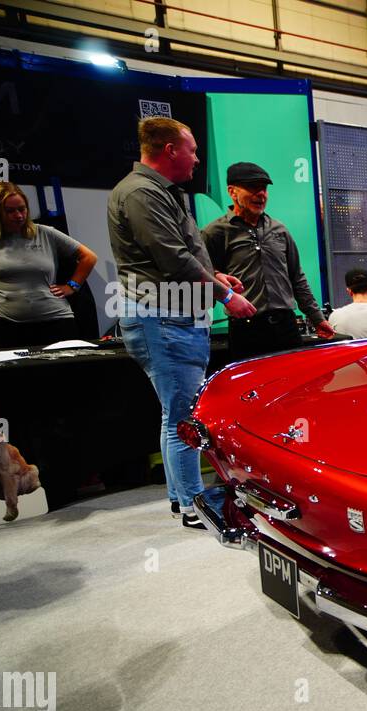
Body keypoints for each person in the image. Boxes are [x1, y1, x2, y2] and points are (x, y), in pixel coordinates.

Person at [108, 116, 256, 530]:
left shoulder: (158, 192)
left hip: (171, 313)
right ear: (171, 150)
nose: (196, 158)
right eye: (191, 149)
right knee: (185, 417)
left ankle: (180, 498)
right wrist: (225, 295)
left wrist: (215, 277)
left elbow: (183, 255)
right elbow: (172, 259)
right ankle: (193, 503)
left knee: (173, 414)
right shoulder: (141, 193)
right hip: (163, 317)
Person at [202, 162, 331, 360]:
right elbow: (202, 273)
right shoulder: (216, 232)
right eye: (253, 188)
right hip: (246, 329)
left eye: (264, 189)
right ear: (232, 192)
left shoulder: (280, 230)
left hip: (286, 326)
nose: (261, 194)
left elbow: (297, 278)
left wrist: (317, 318)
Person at [0, 182, 98, 348]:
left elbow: (89, 257)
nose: (19, 215)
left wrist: (72, 285)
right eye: (10, 211)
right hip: (6, 323)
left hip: (57, 320)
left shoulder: (44, 232)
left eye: (22, 209)